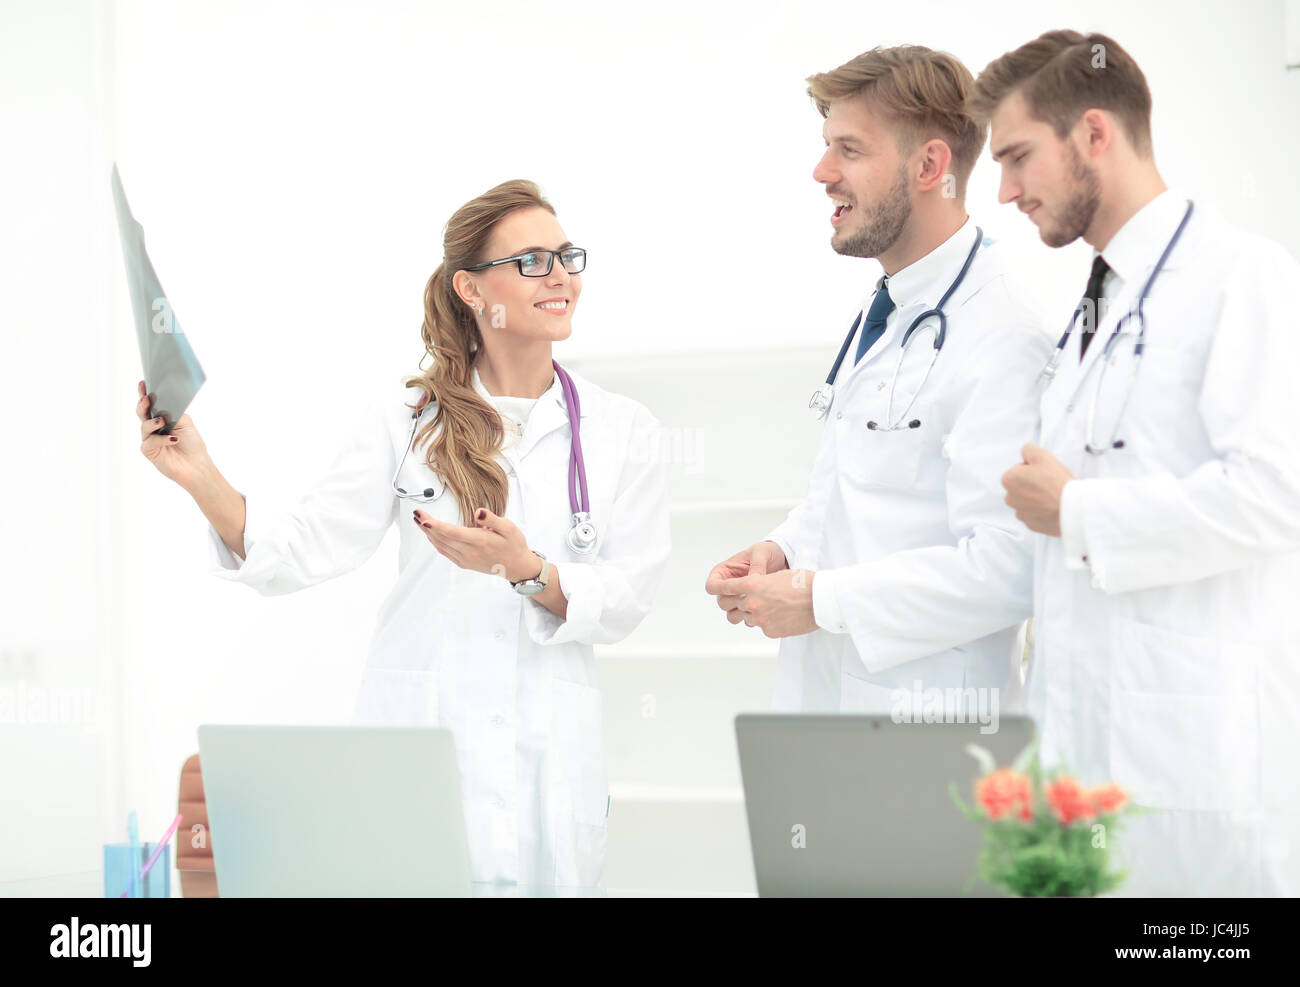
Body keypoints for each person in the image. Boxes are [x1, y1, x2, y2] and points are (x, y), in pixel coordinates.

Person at [134, 179, 671, 887]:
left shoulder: (624, 430)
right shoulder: (407, 418)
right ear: (472, 290)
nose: (561, 276)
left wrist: (528, 568)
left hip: (550, 766)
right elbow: (300, 548)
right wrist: (199, 474)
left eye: (567, 256)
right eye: (533, 261)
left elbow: (629, 593)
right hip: (425, 752)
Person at [972, 30, 1300, 895]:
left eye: (1016, 158)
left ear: (1093, 134)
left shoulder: (1245, 277)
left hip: (1197, 777)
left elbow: (1276, 496)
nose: (1004, 192)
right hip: (1083, 775)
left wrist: (1077, 512)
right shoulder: (1096, 304)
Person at [704, 46, 1049, 716]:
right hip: (831, 709)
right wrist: (784, 549)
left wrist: (820, 599)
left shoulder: (1004, 337)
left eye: (849, 149)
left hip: (927, 727)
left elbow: (1012, 565)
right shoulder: (888, 308)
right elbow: (863, 488)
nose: (822, 172)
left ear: (929, 166)